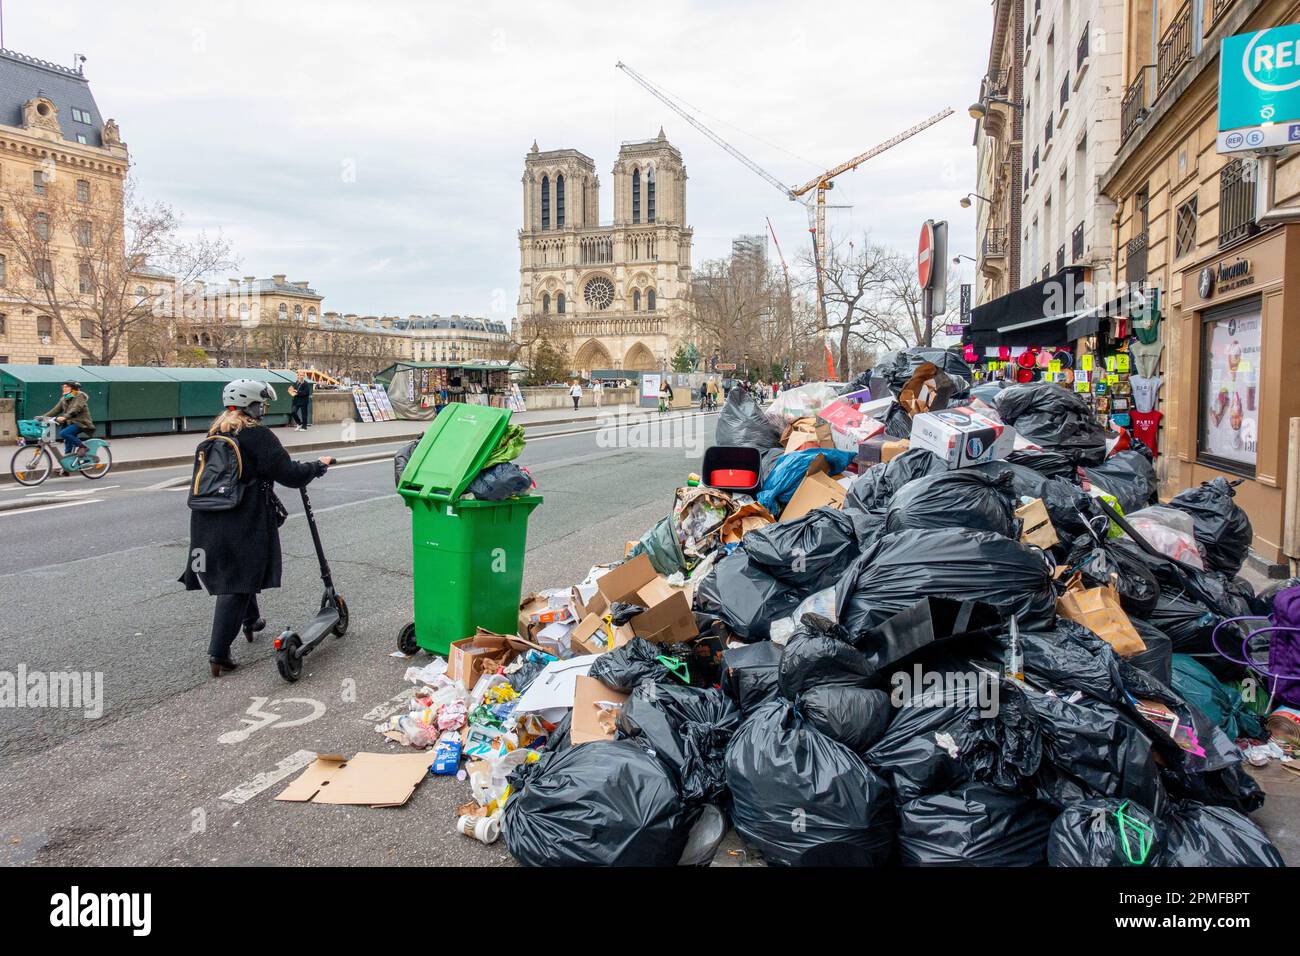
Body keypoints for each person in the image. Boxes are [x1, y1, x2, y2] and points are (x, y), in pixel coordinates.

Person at [179, 379, 334, 677]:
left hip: (206, 518)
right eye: (262, 403)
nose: (264, 408)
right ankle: (218, 652)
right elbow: (290, 475)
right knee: (236, 585)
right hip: (243, 518)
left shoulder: (217, 433)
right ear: (251, 405)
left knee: (239, 573)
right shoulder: (256, 435)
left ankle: (251, 621)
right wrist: (318, 465)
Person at [44, 380, 94, 461]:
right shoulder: (65, 398)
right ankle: (67, 466)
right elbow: (55, 410)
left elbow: (76, 408)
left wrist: (65, 417)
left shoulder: (79, 395)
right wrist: (42, 417)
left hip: (81, 422)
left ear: (73, 388)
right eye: (63, 387)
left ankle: (83, 447)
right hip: (70, 423)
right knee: (68, 442)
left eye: (67, 387)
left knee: (64, 433)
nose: (64, 388)